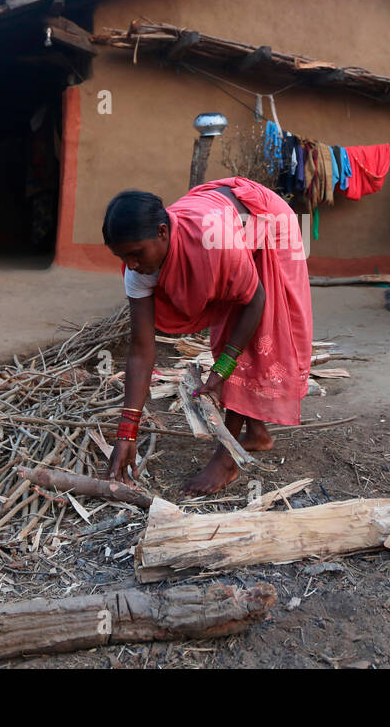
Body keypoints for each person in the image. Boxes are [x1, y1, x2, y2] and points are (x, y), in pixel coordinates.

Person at [102, 176, 313, 495]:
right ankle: (256, 433)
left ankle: (227, 458)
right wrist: (126, 434)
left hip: (266, 223)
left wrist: (222, 370)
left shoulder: (214, 247)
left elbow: (255, 299)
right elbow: (141, 351)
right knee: (226, 337)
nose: (131, 265)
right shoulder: (138, 268)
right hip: (224, 221)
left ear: (162, 232)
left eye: (136, 253)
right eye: (123, 258)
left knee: (254, 341)